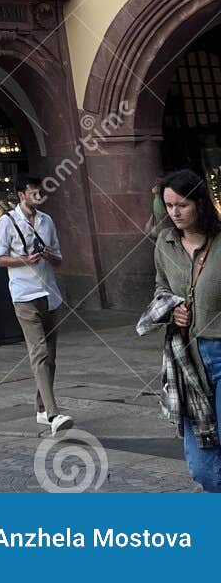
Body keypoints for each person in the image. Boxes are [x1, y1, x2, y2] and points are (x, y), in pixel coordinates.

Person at [152, 169, 221, 492]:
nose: (174, 213)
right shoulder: (164, 244)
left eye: (182, 204)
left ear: (200, 203)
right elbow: (160, 289)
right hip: (188, 360)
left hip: (219, 352)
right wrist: (170, 308)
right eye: (168, 205)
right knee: (202, 466)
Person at [0, 175, 72, 435]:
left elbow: (59, 260)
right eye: (33, 192)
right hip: (24, 295)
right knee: (39, 352)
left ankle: (40, 407)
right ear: (21, 195)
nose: (38, 196)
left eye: (40, 192)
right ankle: (53, 414)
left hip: (49, 294)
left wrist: (48, 256)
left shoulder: (47, 221)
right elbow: (0, 258)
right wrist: (24, 261)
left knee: (50, 355)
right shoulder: (7, 222)